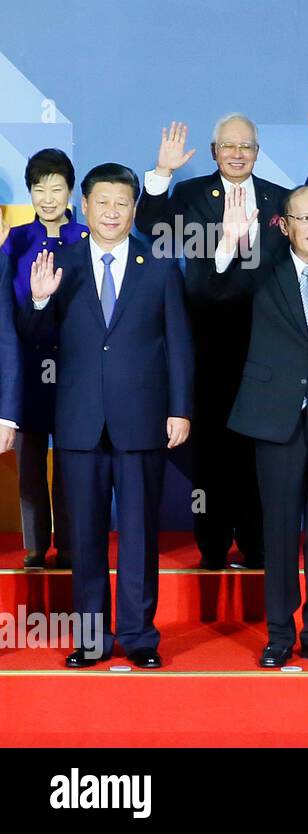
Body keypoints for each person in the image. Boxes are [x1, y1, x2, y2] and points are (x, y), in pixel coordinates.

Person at [19, 163, 194, 669]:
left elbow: (179, 346)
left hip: (142, 421)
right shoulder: (59, 262)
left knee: (139, 535)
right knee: (85, 537)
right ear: (86, 206)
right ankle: (91, 638)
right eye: (102, 202)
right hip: (77, 423)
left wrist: (180, 409)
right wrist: (38, 299)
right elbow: (33, 335)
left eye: (122, 202)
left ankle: (139, 637)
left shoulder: (159, 266)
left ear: (134, 208)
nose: (112, 211)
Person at [204, 185, 308, 669]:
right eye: (306, 219)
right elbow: (214, 291)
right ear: (285, 224)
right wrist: (231, 245)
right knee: (277, 531)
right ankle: (279, 633)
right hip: (274, 420)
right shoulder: (262, 270)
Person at [136, 116, 289, 570]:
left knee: (260, 447)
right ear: (213, 150)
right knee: (214, 449)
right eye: (229, 145)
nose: (238, 153)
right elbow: (148, 223)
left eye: (247, 146)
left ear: (257, 152)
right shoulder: (191, 194)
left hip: (267, 343)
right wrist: (162, 175)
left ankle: (257, 543)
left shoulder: (278, 200)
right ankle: (214, 544)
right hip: (208, 340)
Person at [1, 149, 77, 569]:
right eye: (38, 188)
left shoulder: (86, 237)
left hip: (73, 372)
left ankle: (69, 544)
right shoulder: (14, 241)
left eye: (56, 188)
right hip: (28, 370)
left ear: (70, 191)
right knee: (30, 466)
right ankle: (35, 546)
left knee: (70, 465)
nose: (47, 198)